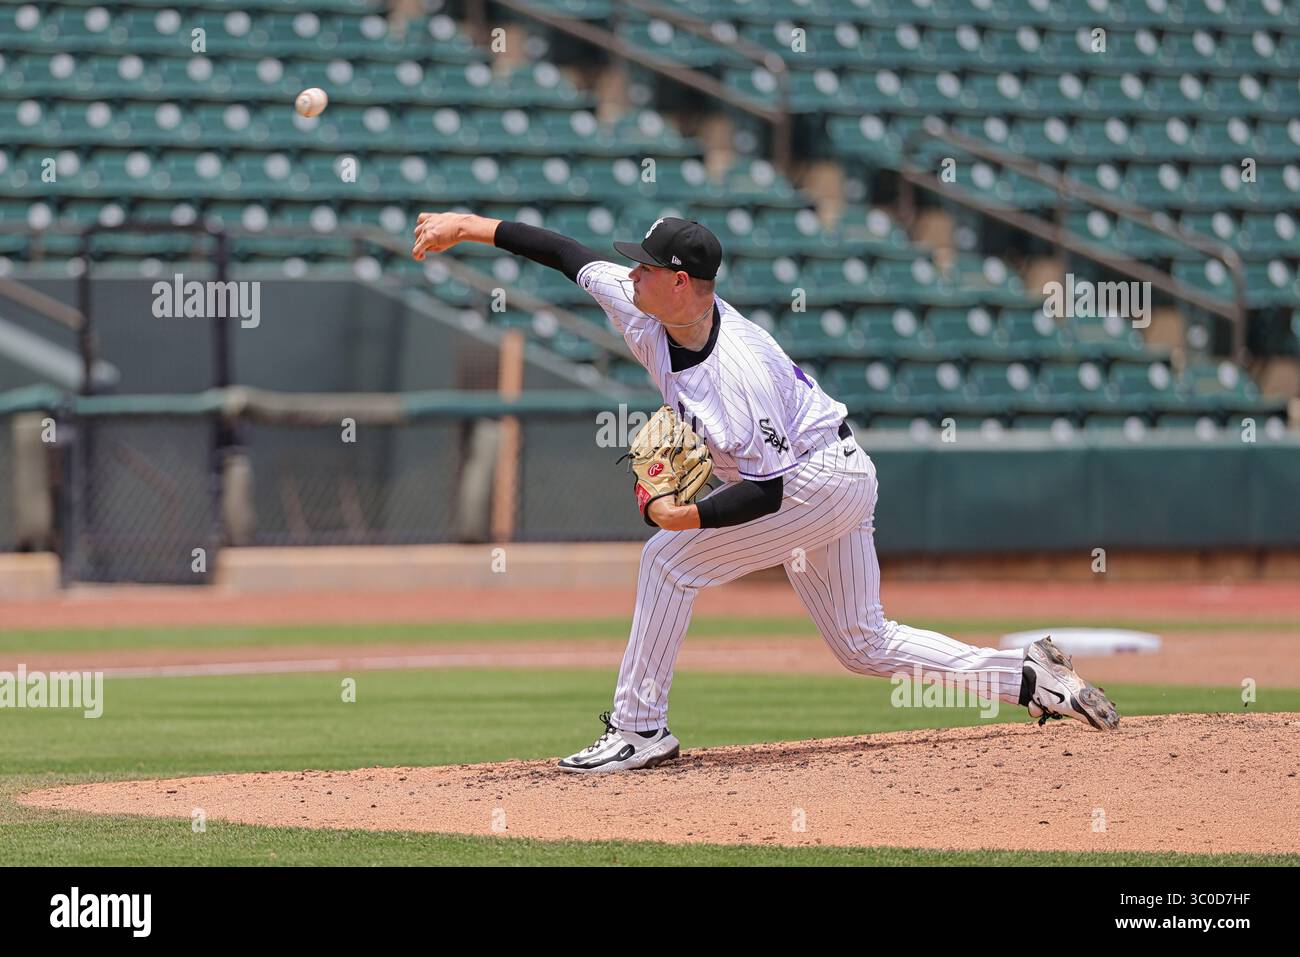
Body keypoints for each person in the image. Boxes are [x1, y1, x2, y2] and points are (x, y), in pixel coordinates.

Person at [411, 212, 1120, 773]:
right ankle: (1029, 679)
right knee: (861, 643)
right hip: (831, 471)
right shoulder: (638, 303)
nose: (632, 270)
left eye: (648, 265)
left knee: (667, 559)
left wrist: (679, 514)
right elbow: (564, 252)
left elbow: (771, 492)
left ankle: (637, 728)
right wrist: (468, 225)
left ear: (682, 282)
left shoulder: (736, 372)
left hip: (815, 478)